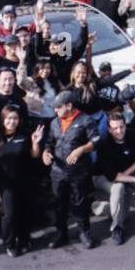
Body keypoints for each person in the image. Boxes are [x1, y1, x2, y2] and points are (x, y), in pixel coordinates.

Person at [40, 90, 100, 249]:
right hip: (57, 172)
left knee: (80, 202)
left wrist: (81, 149)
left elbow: (96, 140)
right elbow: (49, 143)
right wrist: (45, 153)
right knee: (59, 204)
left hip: (78, 172)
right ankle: (61, 234)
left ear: (69, 105)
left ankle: (84, 232)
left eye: (58, 107)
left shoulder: (86, 120)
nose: (56, 110)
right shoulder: (54, 122)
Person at [0, 106, 43, 256]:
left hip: (26, 181)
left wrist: (36, 142)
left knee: (25, 212)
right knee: (9, 214)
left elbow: (35, 155)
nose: (12, 121)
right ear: (3, 119)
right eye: (9, 118)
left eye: (15, 118)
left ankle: (24, 239)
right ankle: (10, 243)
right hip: (6, 185)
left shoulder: (25, 135)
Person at [92, 110, 135, 244]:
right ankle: (117, 229)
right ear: (109, 129)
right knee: (119, 188)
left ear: (126, 125)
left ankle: (99, 207)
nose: (119, 131)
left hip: (123, 174)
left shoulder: (132, 134)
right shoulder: (104, 143)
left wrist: (127, 174)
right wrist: (134, 179)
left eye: (122, 126)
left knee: (123, 215)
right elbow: (113, 176)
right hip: (102, 177)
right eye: (115, 128)